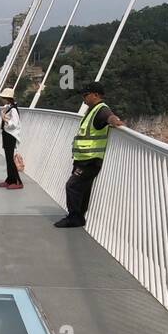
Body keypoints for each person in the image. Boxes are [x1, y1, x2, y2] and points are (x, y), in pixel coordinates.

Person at [55, 82, 125, 228]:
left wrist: (116, 122)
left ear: (96, 95)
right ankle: (79, 217)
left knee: (72, 186)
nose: (83, 98)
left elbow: (109, 117)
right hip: (83, 159)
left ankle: (74, 217)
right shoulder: (92, 110)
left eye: (86, 95)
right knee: (83, 189)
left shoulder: (101, 110)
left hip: (90, 160)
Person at [0, 88, 23, 190]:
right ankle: (10, 179)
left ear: (7, 98)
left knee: (10, 159)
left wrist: (5, 119)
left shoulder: (13, 109)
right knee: (8, 158)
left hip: (10, 135)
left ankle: (17, 181)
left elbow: (15, 123)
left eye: (3, 98)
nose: (2, 99)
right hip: (6, 134)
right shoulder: (9, 107)